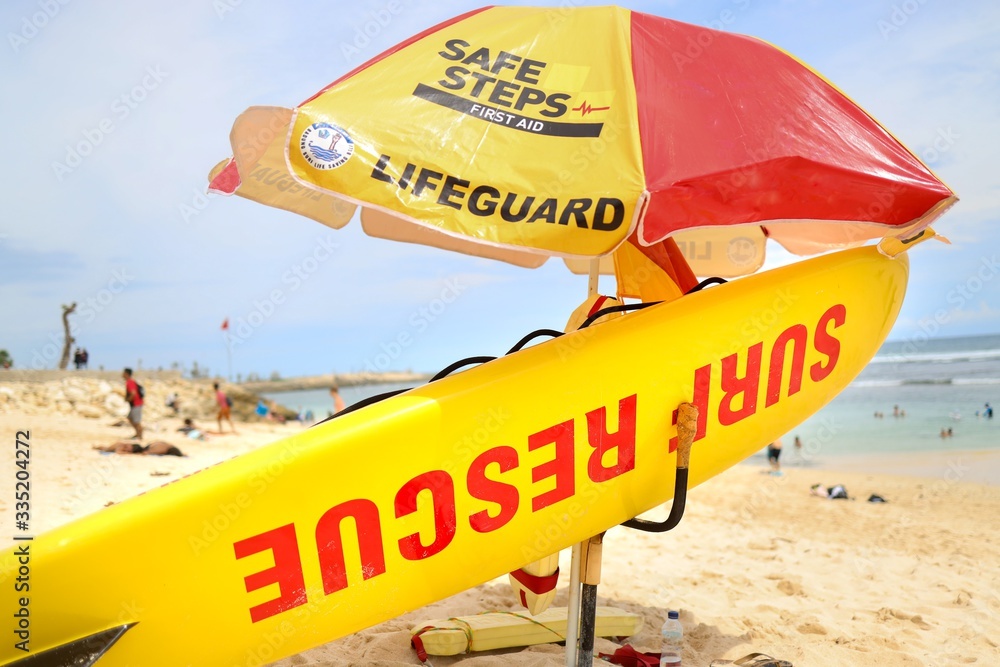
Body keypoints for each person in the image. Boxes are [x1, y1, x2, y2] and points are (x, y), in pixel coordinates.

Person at [122, 368, 143, 440]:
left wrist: (128, 399)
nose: (122, 375)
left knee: (136, 421)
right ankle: (137, 434)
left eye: (123, 373)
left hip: (136, 403)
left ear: (126, 374)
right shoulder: (131, 381)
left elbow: (133, 393)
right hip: (135, 404)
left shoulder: (130, 382)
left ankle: (140, 436)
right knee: (130, 418)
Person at [93, 440, 184, 456]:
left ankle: (97, 447)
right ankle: (97, 447)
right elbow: (146, 453)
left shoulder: (166, 444)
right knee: (106, 448)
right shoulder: (163, 448)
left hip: (149, 445)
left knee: (106, 448)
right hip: (148, 448)